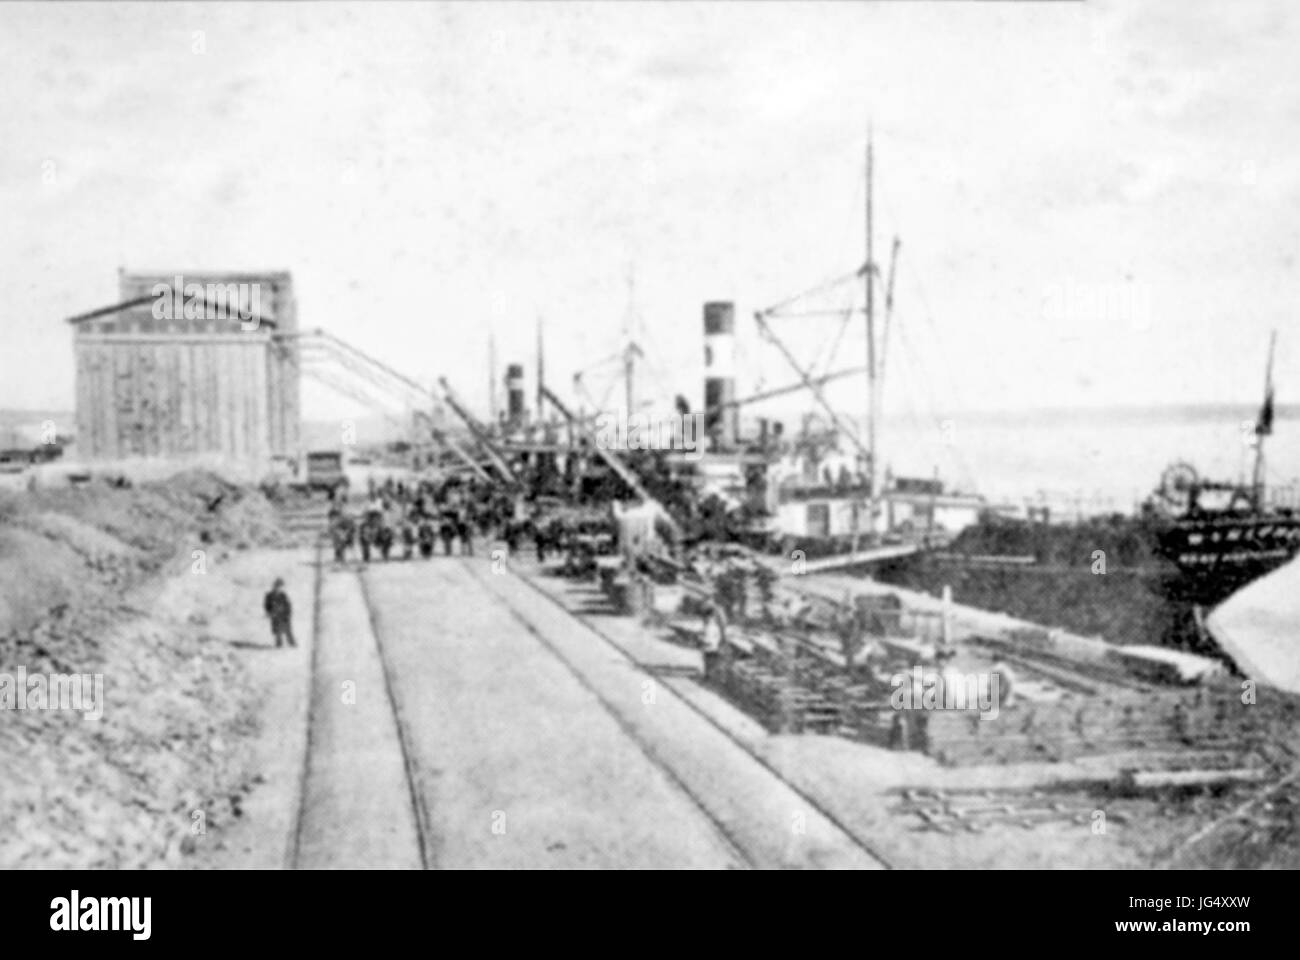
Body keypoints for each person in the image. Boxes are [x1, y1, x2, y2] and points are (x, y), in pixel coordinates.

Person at [263, 578, 296, 648]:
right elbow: (267, 605)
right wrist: (269, 612)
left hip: (284, 616)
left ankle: (292, 644)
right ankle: (279, 645)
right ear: (274, 586)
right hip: (275, 616)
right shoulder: (269, 595)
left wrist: (288, 614)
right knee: (277, 631)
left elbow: (288, 605)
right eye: (277, 586)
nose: (278, 588)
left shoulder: (283, 595)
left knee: (288, 630)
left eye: (280, 587)